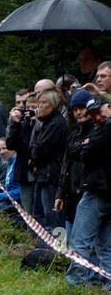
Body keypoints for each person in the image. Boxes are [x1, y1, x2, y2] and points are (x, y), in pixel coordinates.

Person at [65, 94, 111, 289]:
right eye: (92, 115)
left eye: (99, 113)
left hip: (97, 192)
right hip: (103, 191)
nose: (96, 118)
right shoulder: (99, 129)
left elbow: (85, 152)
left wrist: (89, 144)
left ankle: (74, 285)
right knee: (107, 246)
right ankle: (107, 287)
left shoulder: (105, 130)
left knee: (80, 242)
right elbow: (77, 151)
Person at [25, 81, 69, 242]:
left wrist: (35, 156)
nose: (39, 106)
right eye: (39, 102)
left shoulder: (57, 124)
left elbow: (39, 150)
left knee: (53, 217)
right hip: (42, 175)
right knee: (39, 216)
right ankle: (41, 250)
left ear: (53, 104)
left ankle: (59, 250)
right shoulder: (44, 123)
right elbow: (32, 149)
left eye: (43, 103)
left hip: (51, 176)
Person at [55, 92, 95, 226]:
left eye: (82, 108)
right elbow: (66, 165)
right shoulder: (73, 135)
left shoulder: (98, 132)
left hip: (88, 191)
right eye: (75, 109)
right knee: (71, 239)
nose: (78, 112)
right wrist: (60, 193)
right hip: (70, 193)